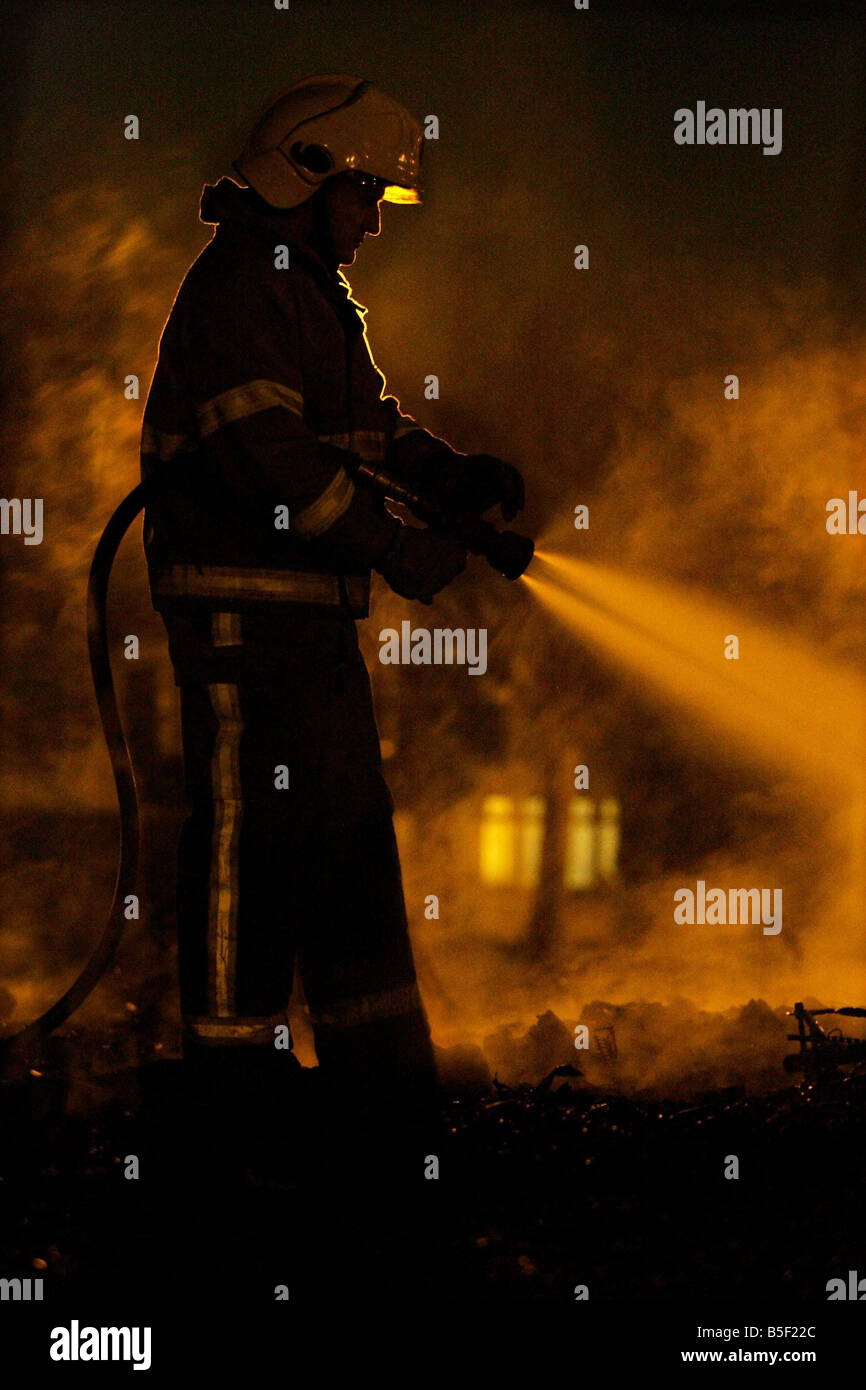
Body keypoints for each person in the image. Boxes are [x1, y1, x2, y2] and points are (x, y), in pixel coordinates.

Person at [140, 75, 524, 1181]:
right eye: (364, 196)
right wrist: (400, 546)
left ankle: (379, 1081)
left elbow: (358, 430)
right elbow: (272, 460)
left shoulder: (307, 291)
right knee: (243, 846)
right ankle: (228, 1084)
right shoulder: (240, 289)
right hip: (237, 618)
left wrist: (444, 473)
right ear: (305, 175)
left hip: (308, 626)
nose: (370, 221)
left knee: (347, 835)